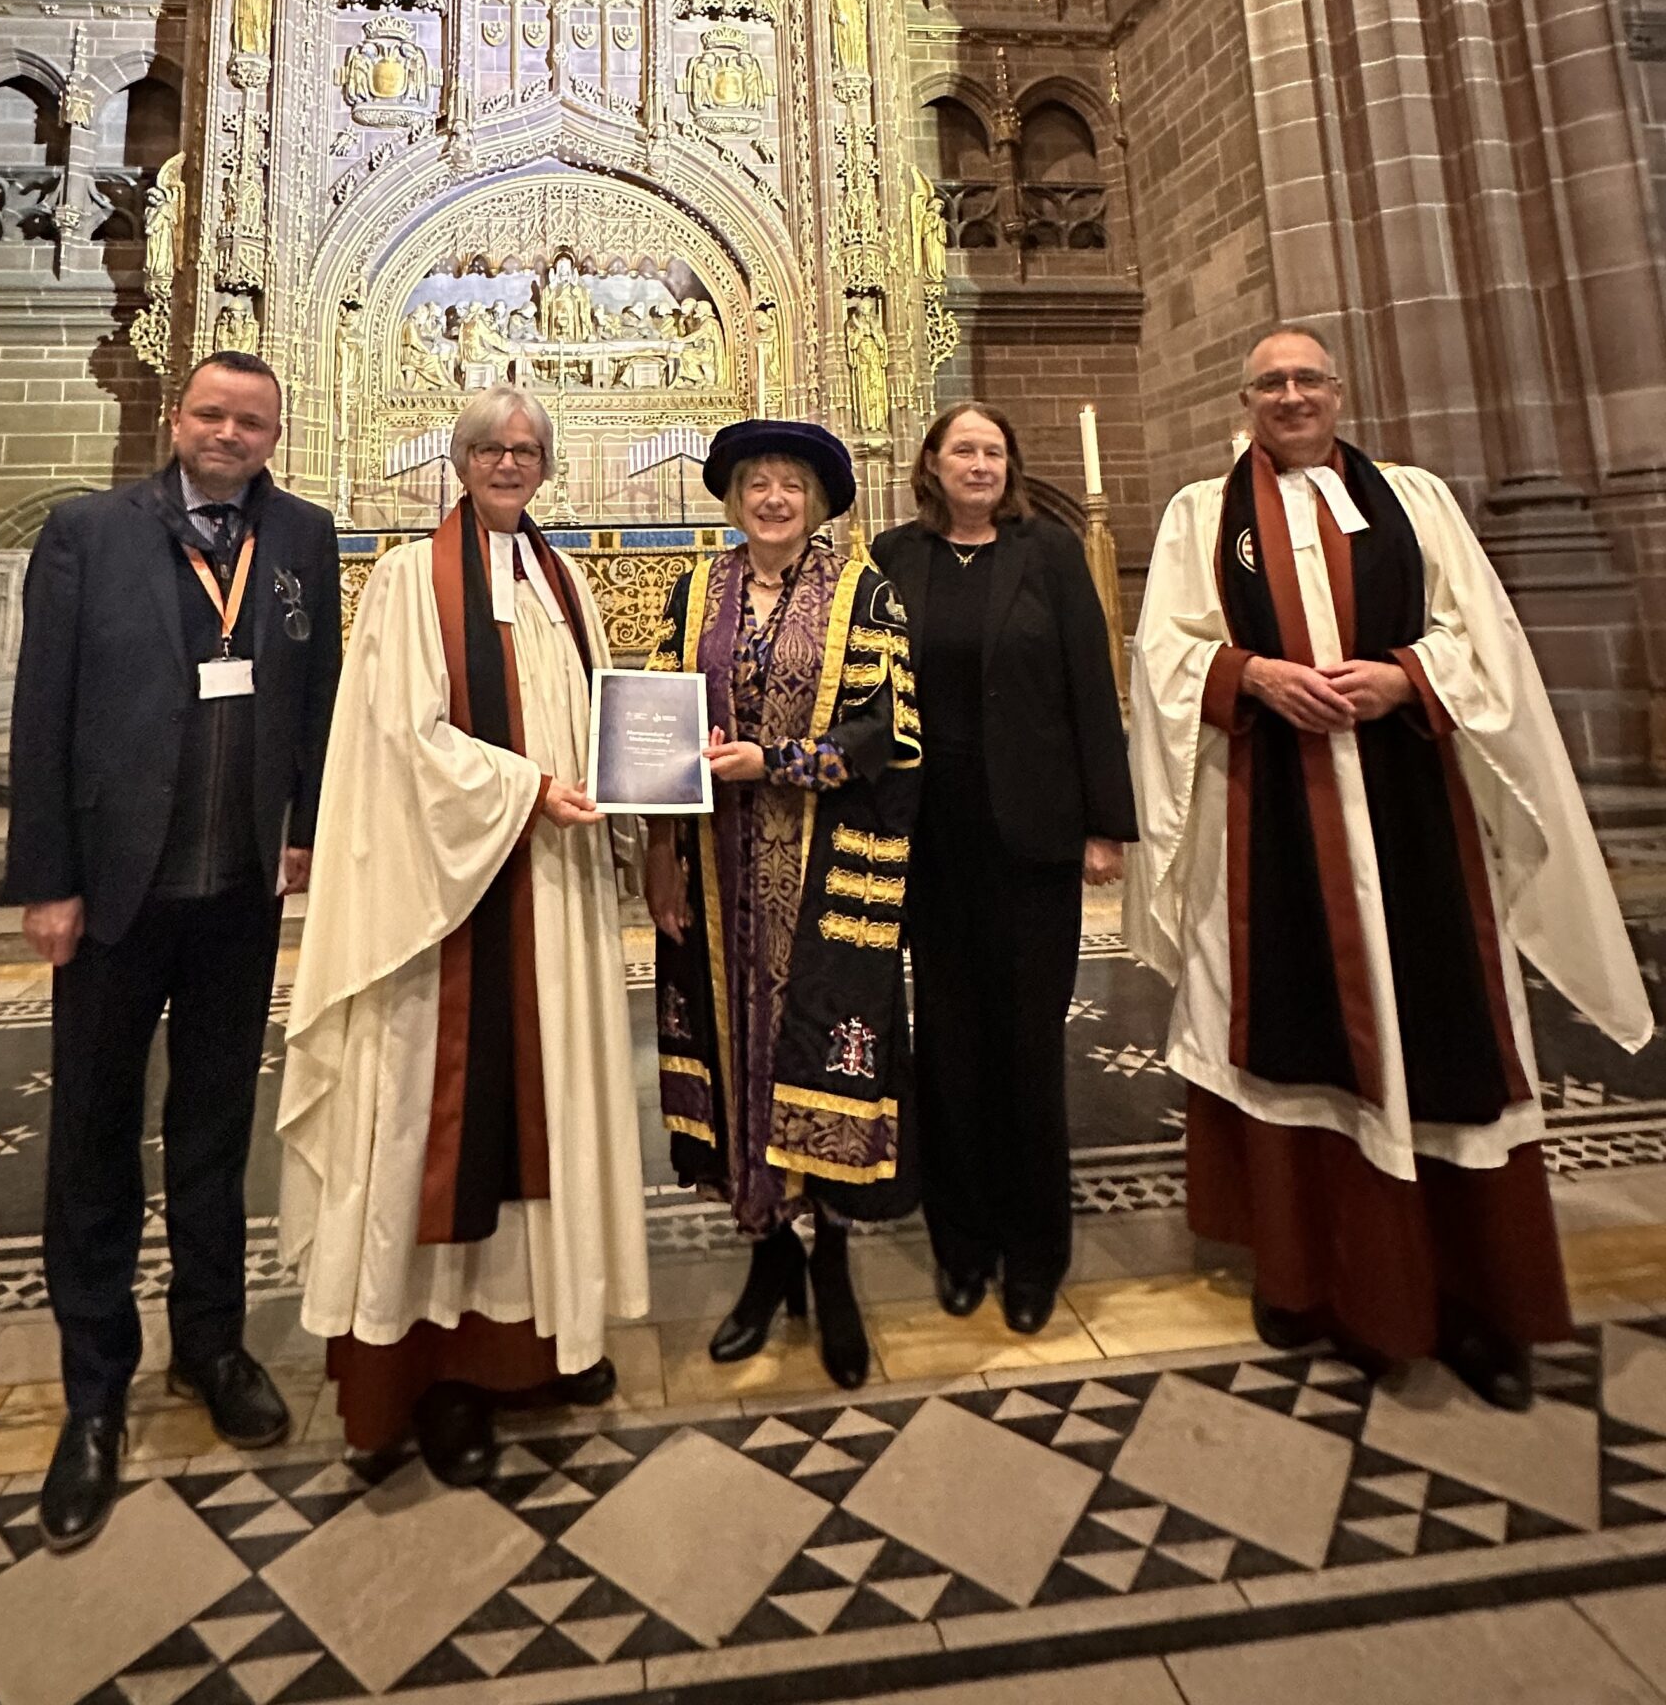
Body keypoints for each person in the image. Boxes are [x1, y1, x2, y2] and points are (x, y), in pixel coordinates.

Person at [1127, 325, 1653, 1408]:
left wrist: (1407, 677)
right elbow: (1164, 652)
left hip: (1418, 818)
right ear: (1246, 400)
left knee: (1445, 1032)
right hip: (1272, 813)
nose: (1289, 396)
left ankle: (1479, 1301)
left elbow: (1486, 636)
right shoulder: (1199, 514)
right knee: (1291, 1026)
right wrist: (1256, 674)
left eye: (1306, 378)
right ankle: (1310, 1276)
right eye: (1270, 383)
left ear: (1338, 391)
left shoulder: (1416, 500)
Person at [277, 388, 648, 1487]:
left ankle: (541, 1333)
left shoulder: (565, 578)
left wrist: (645, 781)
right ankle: (433, 1368)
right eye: (491, 447)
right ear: (459, 459)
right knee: (439, 1129)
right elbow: (404, 741)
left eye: (528, 449)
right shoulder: (406, 580)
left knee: (557, 1105)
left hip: (556, 893)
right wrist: (532, 787)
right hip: (447, 903)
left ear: (548, 464)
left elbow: (600, 718)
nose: (510, 462)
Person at [6, 351, 343, 1550]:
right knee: (94, 1138)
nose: (230, 434)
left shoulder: (301, 535)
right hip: (113, 891)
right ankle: (94, 1394)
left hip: (237, 890)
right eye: (213, 413)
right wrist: (45, 878)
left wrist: (303, 832)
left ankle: (212, 1344)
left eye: (252, 419)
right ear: (177, 417)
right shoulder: (91, 531)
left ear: (275, 432)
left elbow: (316, 699)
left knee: (212, 1131)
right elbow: (41, 708)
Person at [644, 419, 922, 1390]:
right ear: (733, 498)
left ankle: (832, 1262)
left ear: (817, 502)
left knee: (824, 1051)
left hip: (825, 863)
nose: (771, 497)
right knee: (735, 1053)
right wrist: (661, 853)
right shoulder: (695, 592)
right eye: (756, 482)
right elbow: (658, 729)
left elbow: (888, 731)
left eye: (790, 484)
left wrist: (783, 762)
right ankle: (767, 1258)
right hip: (721, 872)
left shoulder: (864, 591)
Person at [873, 404, 1135, 1332]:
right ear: (932, 465)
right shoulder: (891, 556)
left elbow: (1089, 686)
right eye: (963, 449)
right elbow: (865, 688)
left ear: (1008, 465)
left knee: (1026, 1046)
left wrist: (1106, 826)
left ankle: (1035, 1252)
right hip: (931, 841)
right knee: (946, 1041)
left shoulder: (1051, 553)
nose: (979, 463)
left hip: (1032, 837)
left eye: (994, 449)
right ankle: (961, 1242)